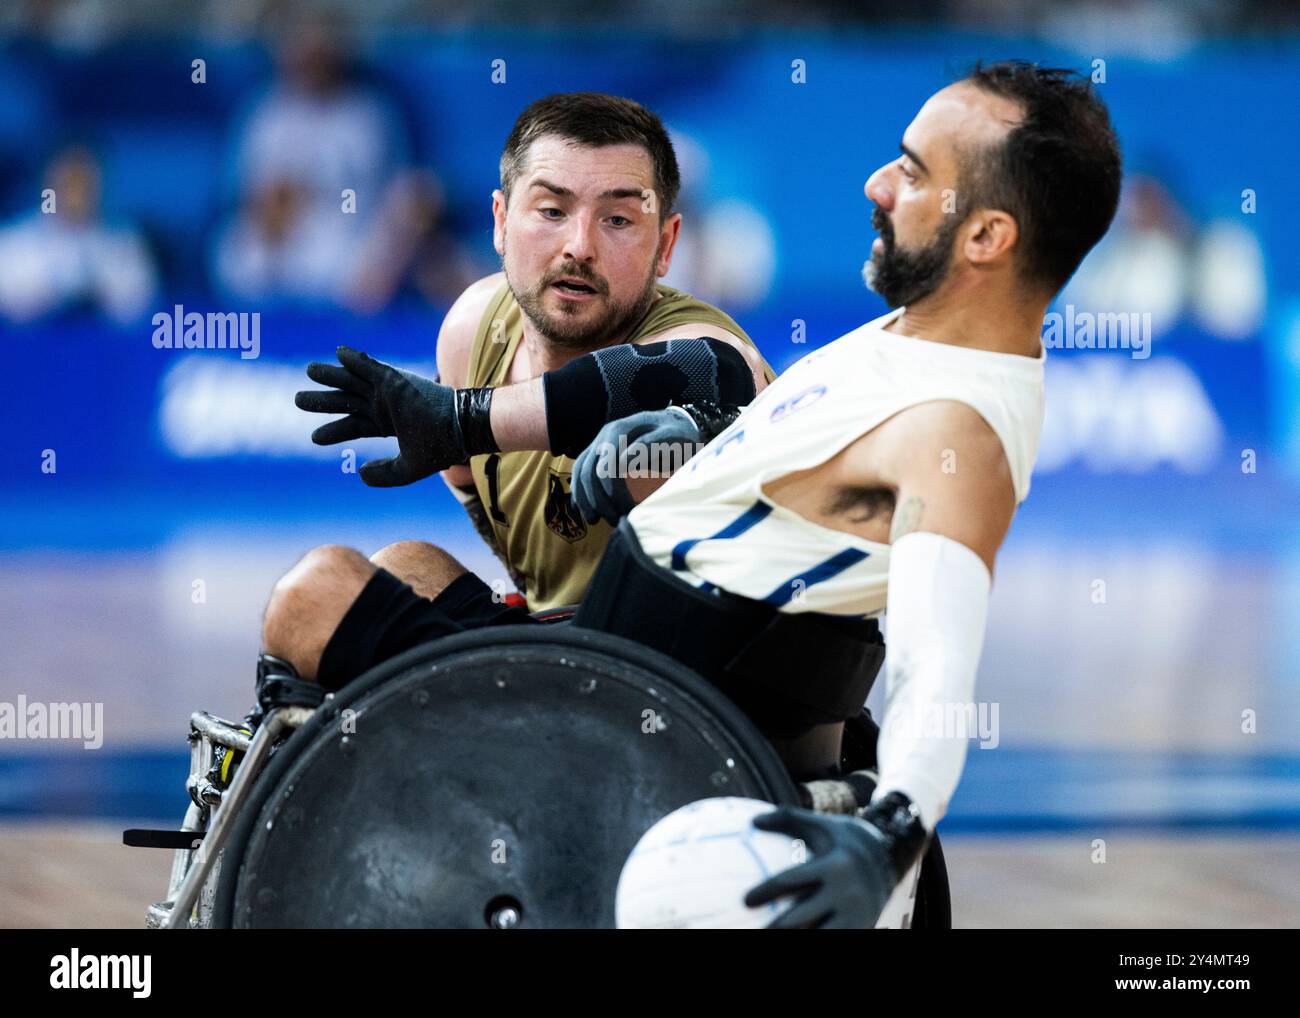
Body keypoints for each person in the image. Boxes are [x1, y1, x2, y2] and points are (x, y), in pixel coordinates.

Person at [266, 61, 1122, 928]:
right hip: (620, 662)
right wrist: (706, 440)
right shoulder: (913, 337)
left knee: (314, 596)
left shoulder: (958, 430)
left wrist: (891, 830)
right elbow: (771, 437)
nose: (876, 183)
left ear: (984, 239)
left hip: (633, 719)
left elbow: (935, 668)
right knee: (408, 568)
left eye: (913, 171)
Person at [295, 92, 772, 610]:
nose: (579, 246)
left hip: (682, 663)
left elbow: (720, 370)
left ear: (665, 246)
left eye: (617, 219)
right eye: (551, 210)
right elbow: (479, 499)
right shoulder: (471, 331)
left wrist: (465, 420)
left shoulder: (695, 340)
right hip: (553, 643)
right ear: (500, 222)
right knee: (342, 586)